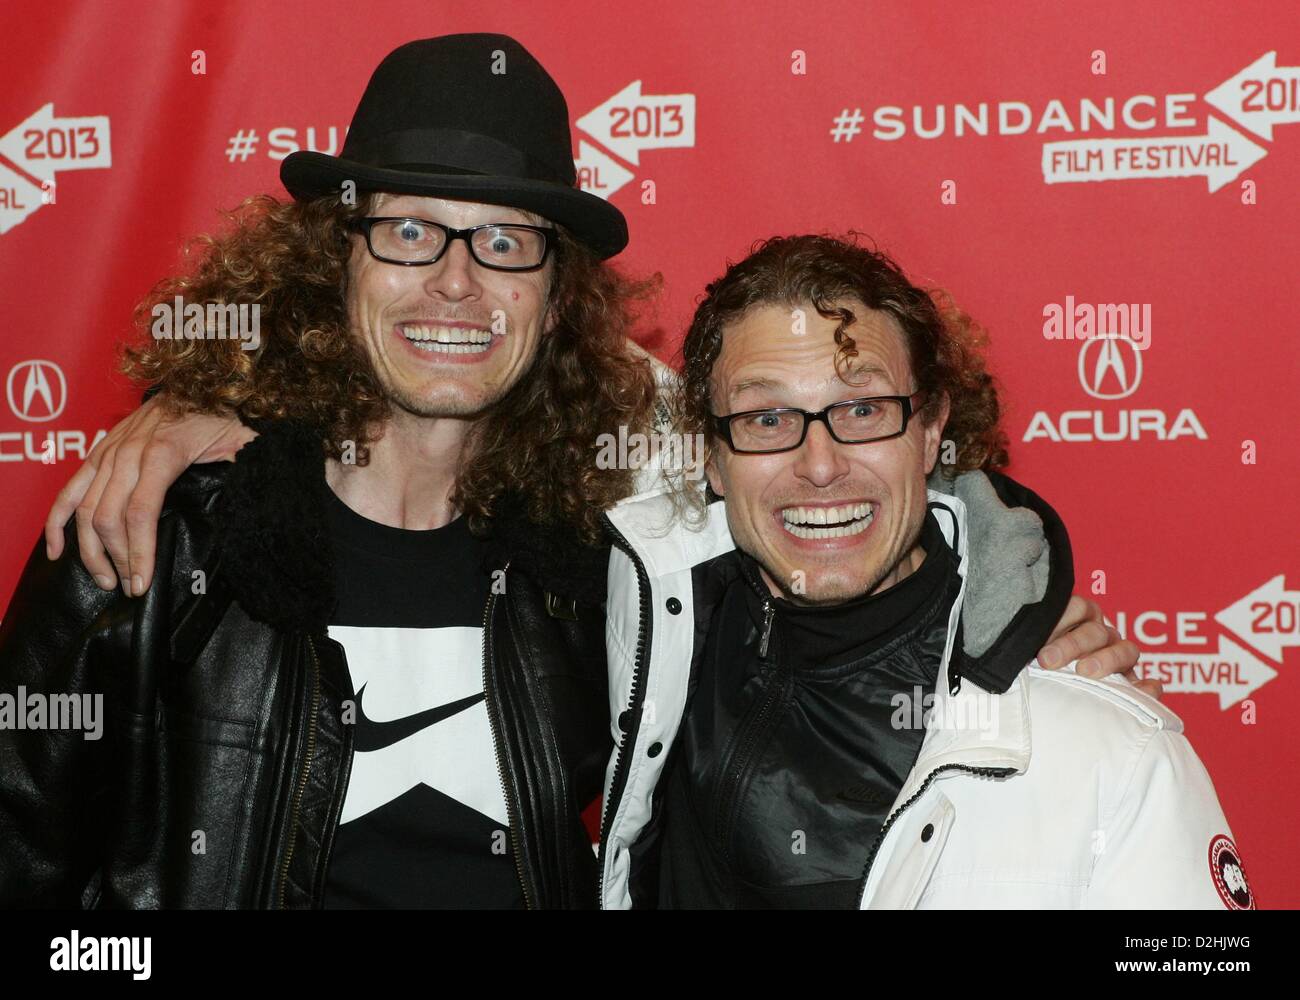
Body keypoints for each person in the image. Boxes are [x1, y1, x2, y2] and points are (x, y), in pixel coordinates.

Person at [6, 34, 1144, 910]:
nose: (455, 283)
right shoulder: (148, 538)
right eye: (410, 231)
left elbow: (820, 454)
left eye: (504, 241)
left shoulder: (602, 561)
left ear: (556, 296)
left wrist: (1005, 613)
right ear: (334, 259)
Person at [595, 234, 1251, 909]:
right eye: (767, 417)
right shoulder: (646, 640)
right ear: (710, 456)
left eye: (862, 411)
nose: (819, 466)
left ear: (932, 427)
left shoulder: (1113, 753)